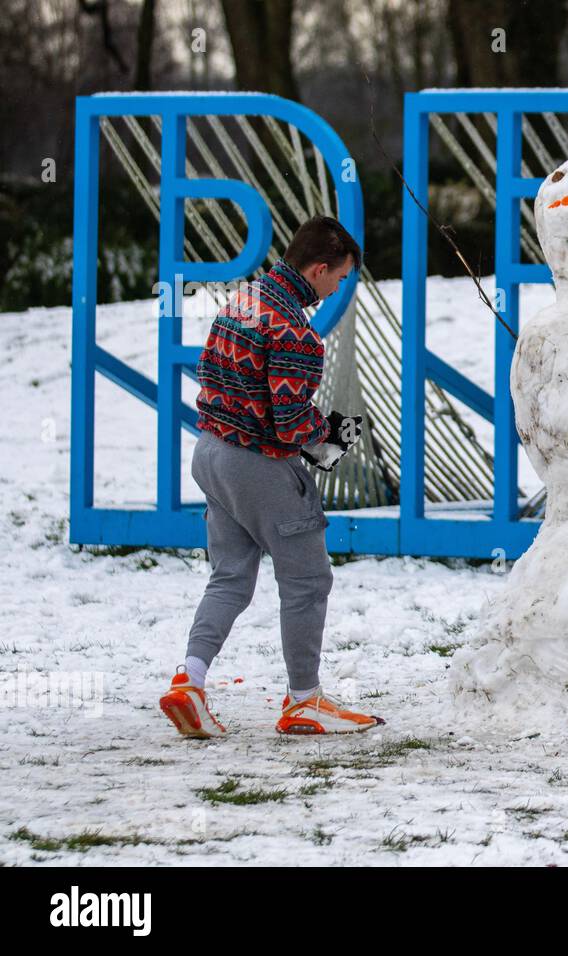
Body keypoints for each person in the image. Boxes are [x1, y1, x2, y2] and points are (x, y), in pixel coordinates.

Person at [159, 216, 383, 738]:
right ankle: (305, 701)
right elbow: (288, 419)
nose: (338, 289)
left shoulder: (243, 300)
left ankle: (188, 681)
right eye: (340, 278)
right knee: (307, 581)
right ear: (320, 268)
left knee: (231, 576)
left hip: (211, 453)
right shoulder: (296, 332)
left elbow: (219, 377)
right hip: (258, 467)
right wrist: (328, 433)